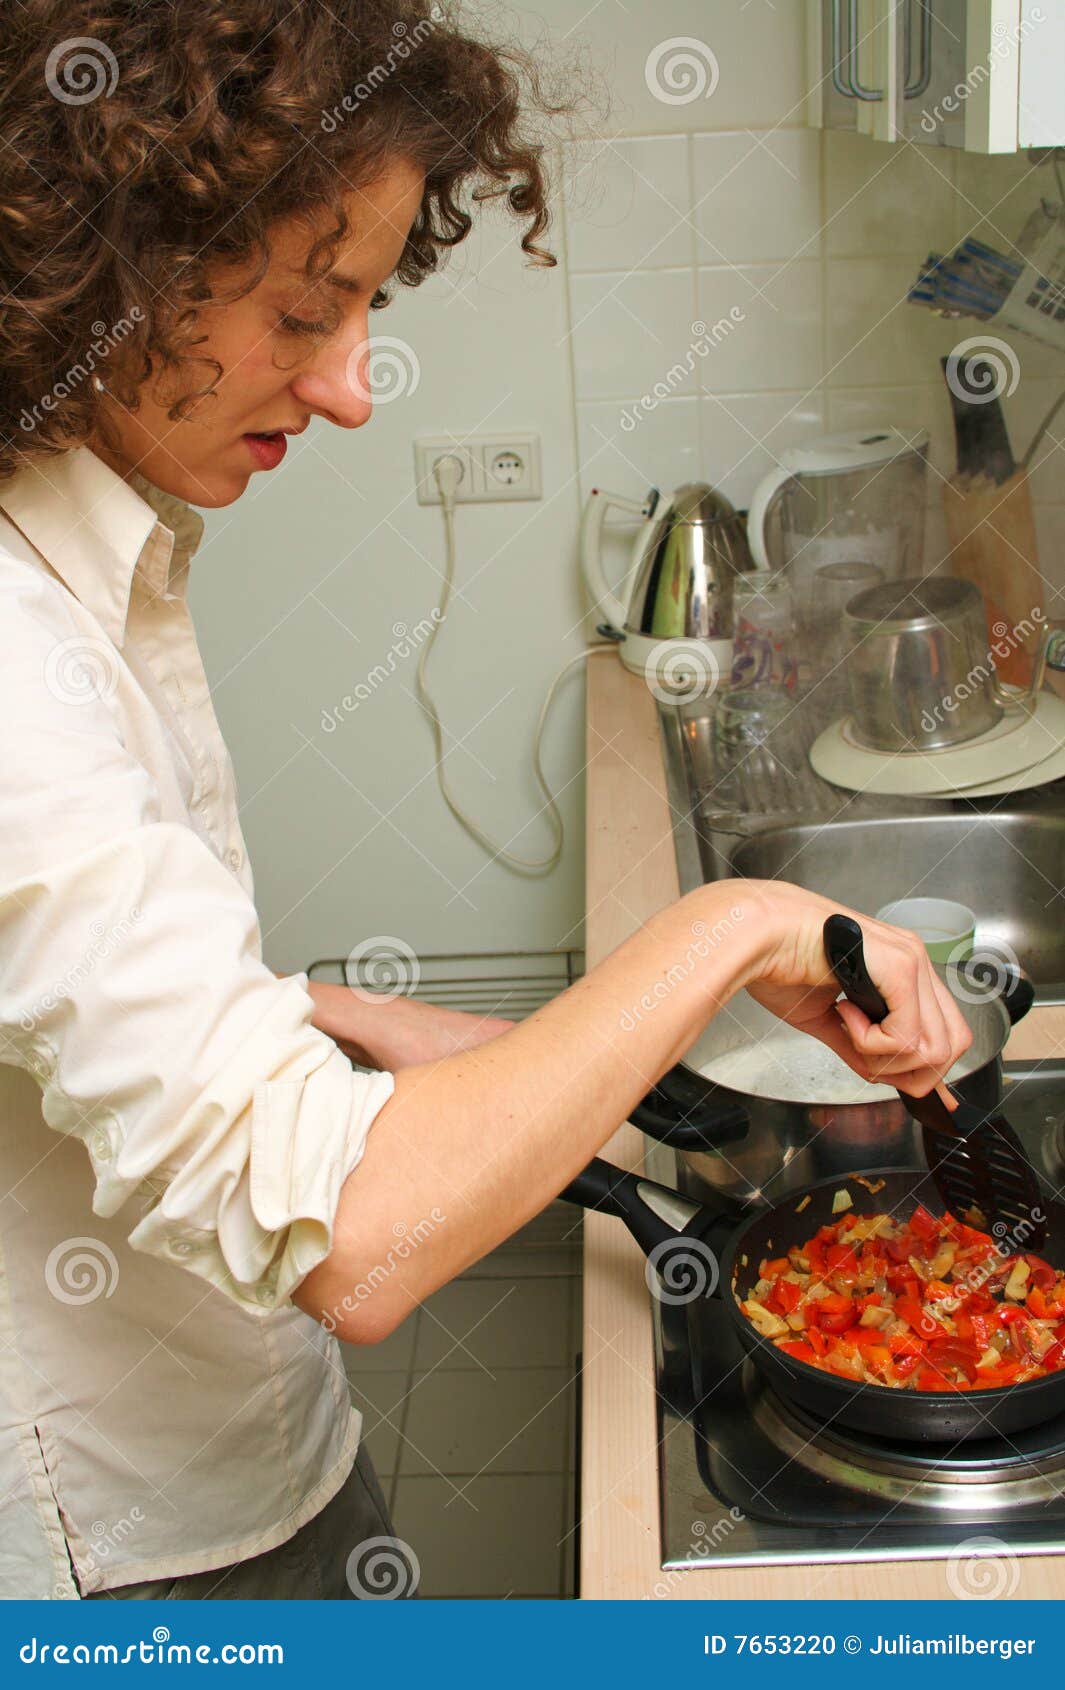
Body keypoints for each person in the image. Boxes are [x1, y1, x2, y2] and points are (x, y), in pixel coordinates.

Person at [0, 0, 971, 1600]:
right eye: (311, 310)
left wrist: (373, 1029)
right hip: (129, 1540)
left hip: (224, 1439)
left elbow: (94, 1001)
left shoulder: (100, 548)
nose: (354, 389)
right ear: (110, 270)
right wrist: (736, 925)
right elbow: (355, 1240)